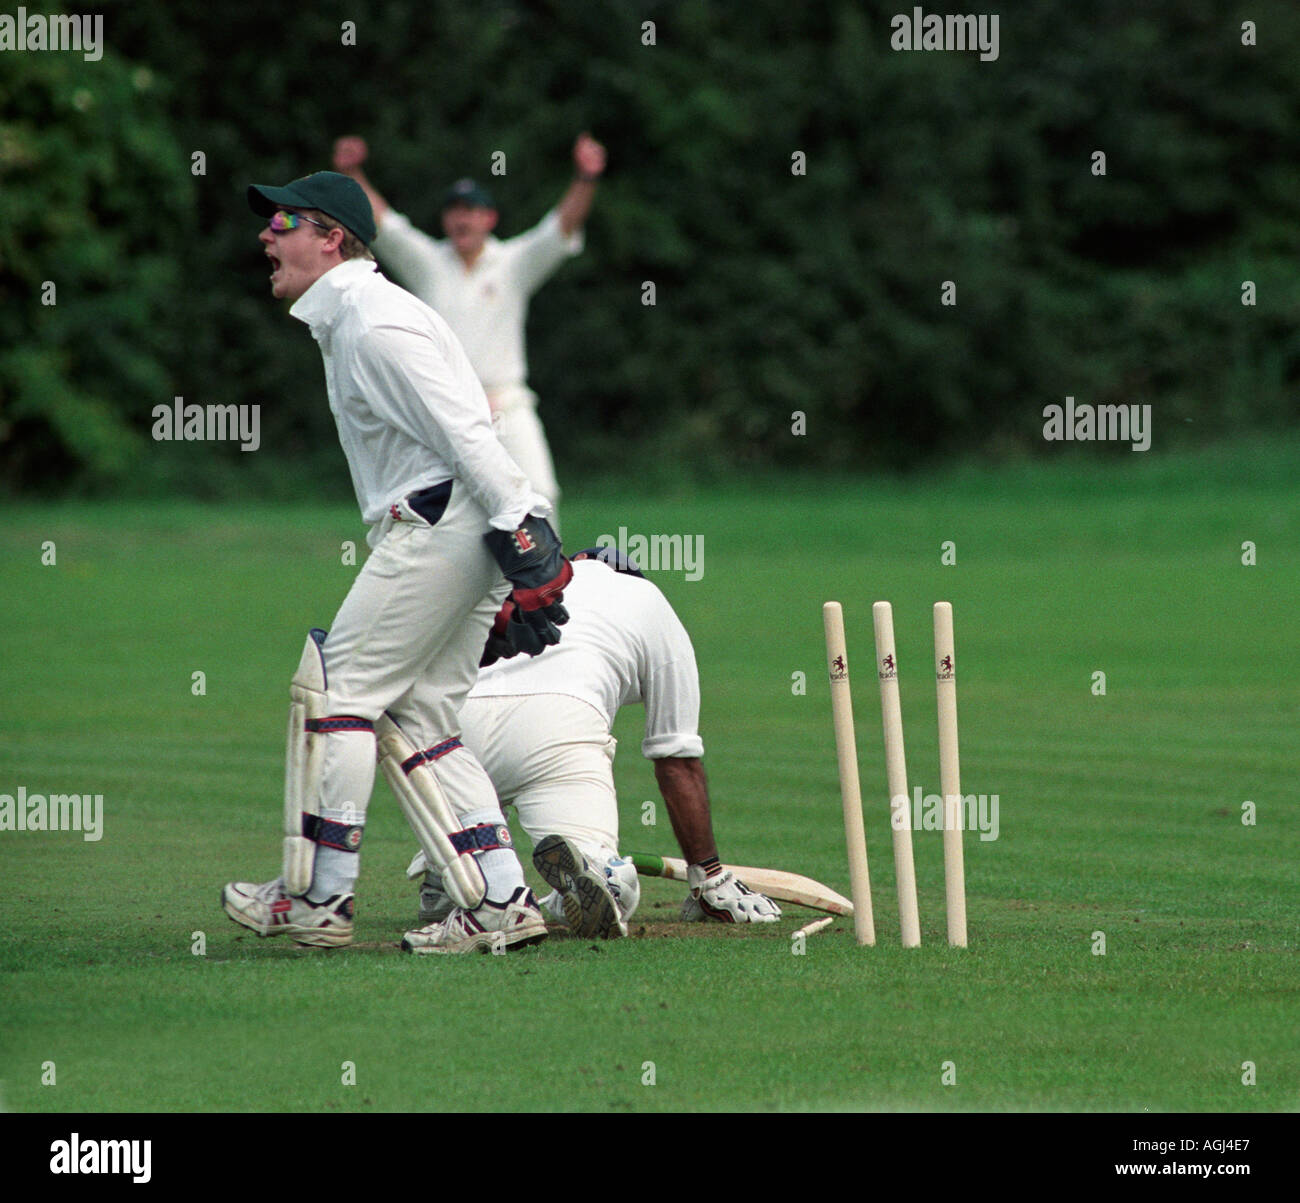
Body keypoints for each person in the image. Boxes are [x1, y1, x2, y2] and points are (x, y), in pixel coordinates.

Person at [221, 169, 573, 955]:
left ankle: (321, 896)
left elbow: (467, 429)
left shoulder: (375, 321)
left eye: (282, 222)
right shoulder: (353, 317)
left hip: (442, 524)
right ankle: (503, 900)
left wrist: (526, 531)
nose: (265, 236)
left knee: (338, 697)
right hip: (454, 526)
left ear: (331, 236)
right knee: (424, 720)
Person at [407, 550, 782, 939]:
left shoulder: (531, 587)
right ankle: (588, 879)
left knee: (470, 809)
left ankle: (451, 875)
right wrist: (710, 878)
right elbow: (676, 757)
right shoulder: (648, 598)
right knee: (611, 882)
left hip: (456, 729)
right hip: (559, 732)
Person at [331, 133, 606, 521]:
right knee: (447, 512)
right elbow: (386, 223)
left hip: (504, 402)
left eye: (472, 211)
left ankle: (545, 581)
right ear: (445, 219)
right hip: (445, 405)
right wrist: (351, 172)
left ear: (489, 218)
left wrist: (586, 177)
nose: (463, 218)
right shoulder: (427, 262)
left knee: (540, 492)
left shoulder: (513, 263)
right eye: (455, 211)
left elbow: (560, 228)